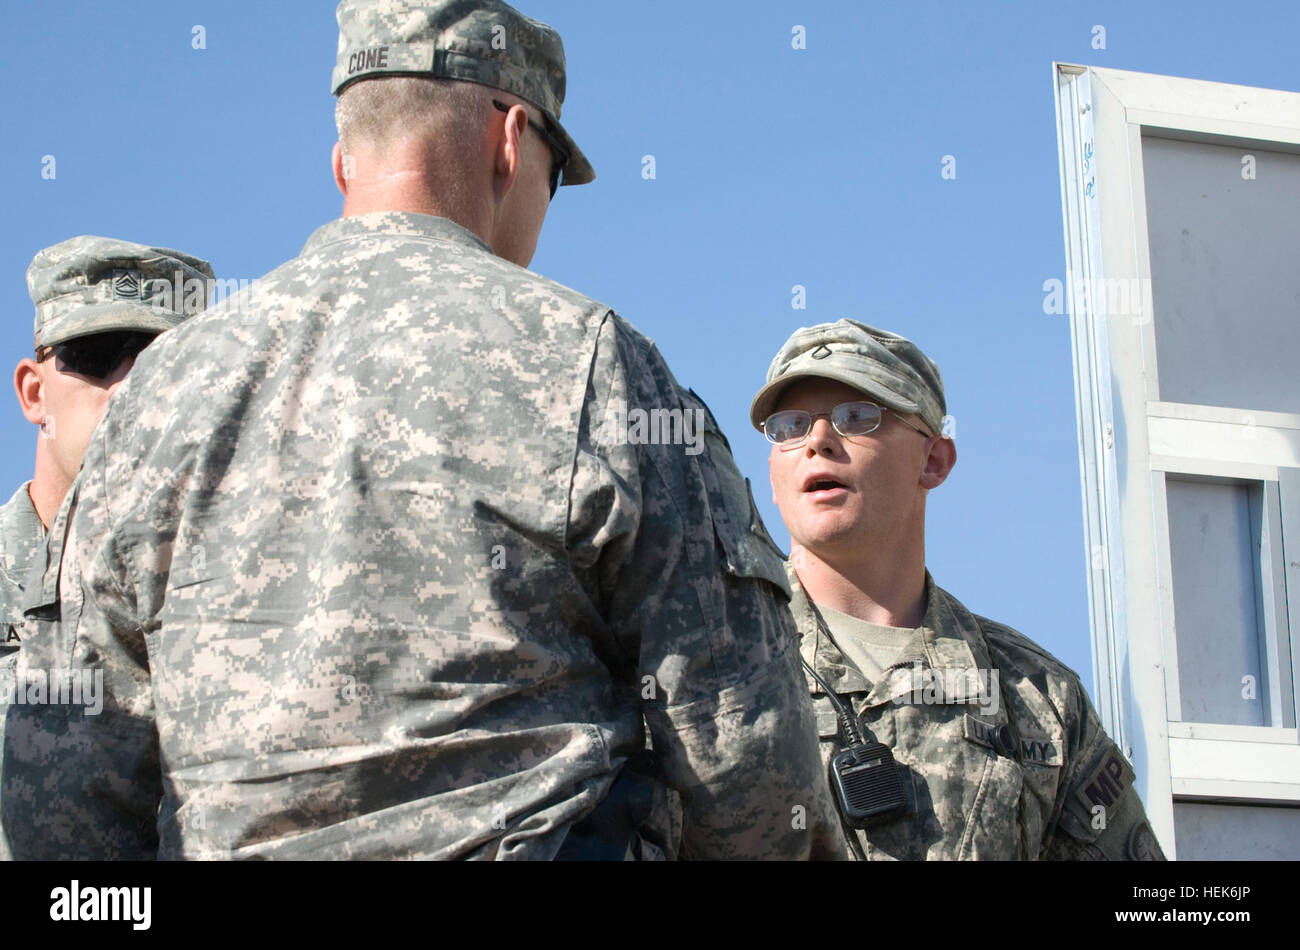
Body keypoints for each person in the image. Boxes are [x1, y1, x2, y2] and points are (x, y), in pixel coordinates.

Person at [1, 0, 839, 861]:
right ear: (510, 141)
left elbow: (64, 787)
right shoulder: (593, 361)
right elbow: (751, 775)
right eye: (555, 174)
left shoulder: (162, 390)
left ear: (343, 164)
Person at [750, 318, 1166, 860]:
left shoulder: (1034, 698)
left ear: (934, 459)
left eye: (857, 418)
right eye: (790, 427)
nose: (818, 442)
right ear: (772, 472)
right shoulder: (712, 668)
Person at [0, 236, 211, 858]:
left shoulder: (237, 588)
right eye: (94, 354)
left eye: (161, 363)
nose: (126, 388)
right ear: (35, 392)